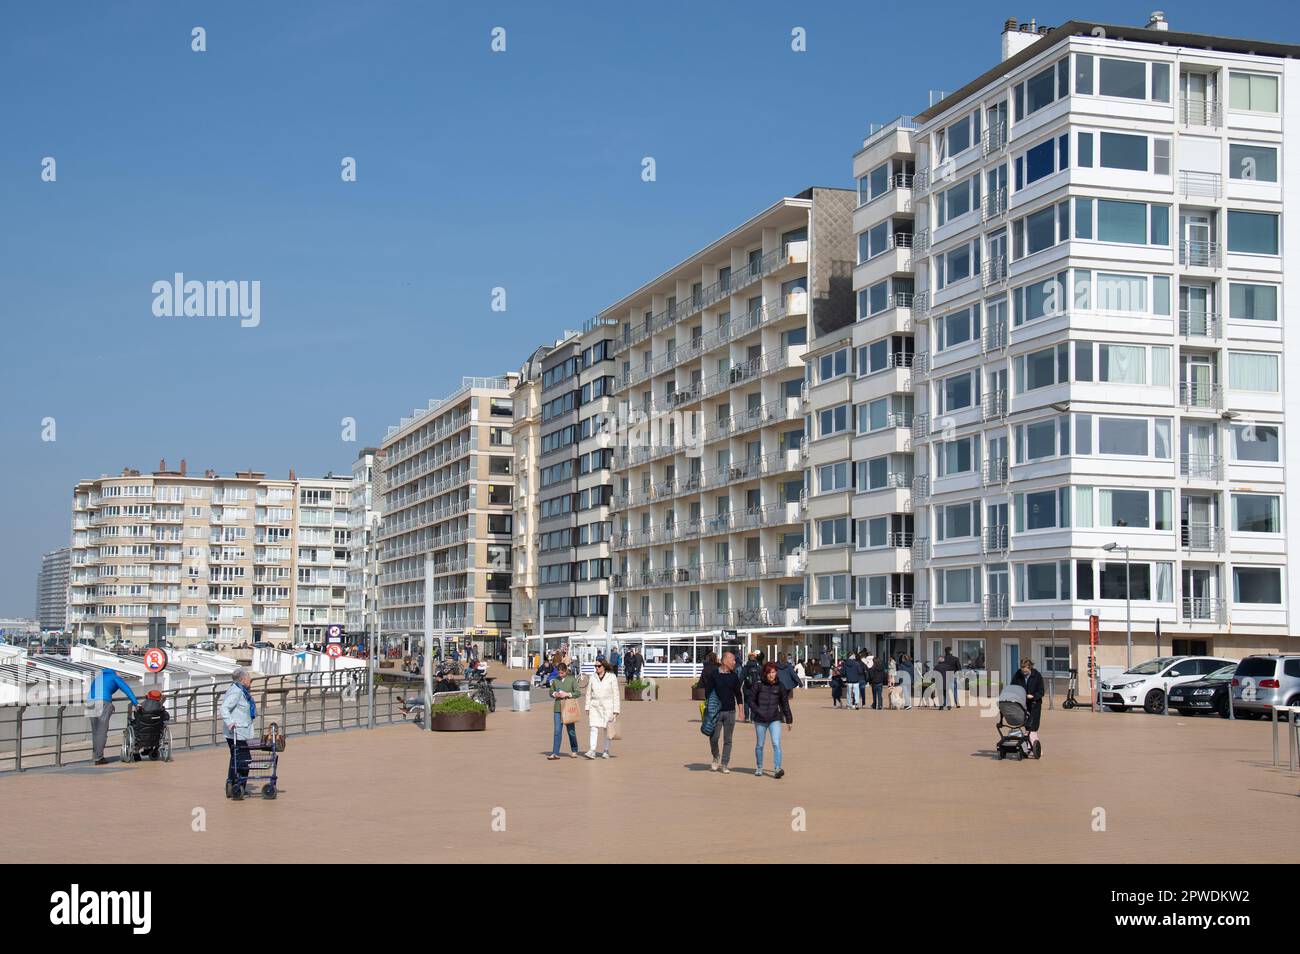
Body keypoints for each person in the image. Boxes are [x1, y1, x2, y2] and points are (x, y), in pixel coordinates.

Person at [747, 662, 794, 779]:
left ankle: (777, 768)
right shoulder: (758, 685)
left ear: (776, 673)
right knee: (760, 744)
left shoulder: (780, 686)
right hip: (760, 719)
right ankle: (759, 767)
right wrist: (758, 711)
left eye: (773, 672)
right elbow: (751, 700)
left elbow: (785, 704)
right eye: (769, 672)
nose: (771, 675)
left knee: (776, 743)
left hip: (774, 719)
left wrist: (789, 719)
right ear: (765, 673)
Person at [700, 651, 744, 773]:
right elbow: (707, 693)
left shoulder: (734, 676)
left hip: (730, 712)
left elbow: (738, 694)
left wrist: (741, 711)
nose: (734, 662)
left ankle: (724, 764)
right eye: (732, 660)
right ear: (725, 661)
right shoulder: (714, 675)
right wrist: (711, 706)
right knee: (714, 738)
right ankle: (716, 756)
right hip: (717, 712)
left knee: (728, 740)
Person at [86, 667, 138, 765]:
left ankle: (95, 755)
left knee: (95, 731)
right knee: (102, 731)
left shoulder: (98, 677)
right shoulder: (114, 677)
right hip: (103, 703)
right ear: (116, 672)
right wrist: (135, 703)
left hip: (90, 703)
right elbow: (127, 689)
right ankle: (98, 758)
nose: (121, 676)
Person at [221, 668, 257, 799]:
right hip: (236, 733)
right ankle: (238, 786)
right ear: (242, 680)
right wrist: (231, 723)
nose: (250, 681)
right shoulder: (236, 692)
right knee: (244, 759)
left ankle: (232, 785)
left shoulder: (239, 690)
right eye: (249, 678)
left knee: (236, 758)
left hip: (239, 732)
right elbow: (224, 708)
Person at [583, 658, 620, 759]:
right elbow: (588, 693)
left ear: (604, 666)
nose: (597, 668)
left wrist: (616, 710)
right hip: (594, 706)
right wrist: (587, 706)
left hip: (608, 706)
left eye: (598, 666)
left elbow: (616, 694)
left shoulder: (612, 677)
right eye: (595, 666)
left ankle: (606, 750)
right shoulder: (592, 677)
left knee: (607, 729)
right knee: (593, 727)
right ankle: (592, 750)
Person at [547, 662, 581, 760]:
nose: (560, 675)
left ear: (566, 671)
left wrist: (567, 694)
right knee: (557, 731)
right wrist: (555, 694)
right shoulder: (555, 680)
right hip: (558, 708)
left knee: (571, 731)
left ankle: (574, 749)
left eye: (562, 673)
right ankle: (555, 753)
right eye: (559, 673)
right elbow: (550, 692)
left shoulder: (572, 680)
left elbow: (578, 693)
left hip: (568, 708)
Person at [1011, 657, 1044, 755]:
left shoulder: (1037, 676)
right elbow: (1013, 686)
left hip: (1035, 704)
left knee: (1033, 727)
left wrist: (1033, 696)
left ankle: (1035, 749)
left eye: (1026, 671)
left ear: (1030, 668)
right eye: (1022, 671)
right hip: (1023, 703)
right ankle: (1033, 749)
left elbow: (1041, 691)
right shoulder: (1018, 674)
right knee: (1027, 727)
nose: (1024, 673)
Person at [740, 651, 763, 720]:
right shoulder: (759, 667)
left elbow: (741, 678)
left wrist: (737, 687)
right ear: (755, 658)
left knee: (746, 702)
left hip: (747, 687)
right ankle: (753, 718)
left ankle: (747, 717)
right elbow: (762, 678)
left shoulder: (745, 667)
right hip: (756, 688)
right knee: (754, 702)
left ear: (748, 658)